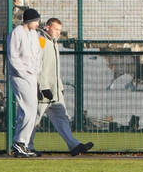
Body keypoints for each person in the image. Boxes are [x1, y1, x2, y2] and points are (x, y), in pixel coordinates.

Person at [28, 18, 94, 156]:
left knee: (62, 117)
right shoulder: (40, 41)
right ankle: (27, 146)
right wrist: (43, 86)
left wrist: (60, 86)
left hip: (55, 91)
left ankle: (74, 145)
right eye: (56, 29)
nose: (58, 33)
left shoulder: (54, 43)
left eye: (59, 30)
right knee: (34, 119)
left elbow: (54, 69)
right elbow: (37, 66)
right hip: (43, 90)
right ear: (47, 27)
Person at [6, 8, 43, 158]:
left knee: (30, 110)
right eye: (36, 21)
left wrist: (35, 71)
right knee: (29, 108)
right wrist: (23, 72)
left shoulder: (34, 35)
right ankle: (20, 143)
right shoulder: (17, 33)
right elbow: (13, 56)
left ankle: (23, 143)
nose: (38, 23)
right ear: (29, 21)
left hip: (32, 76)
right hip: (20, 76)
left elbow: (38, 55)